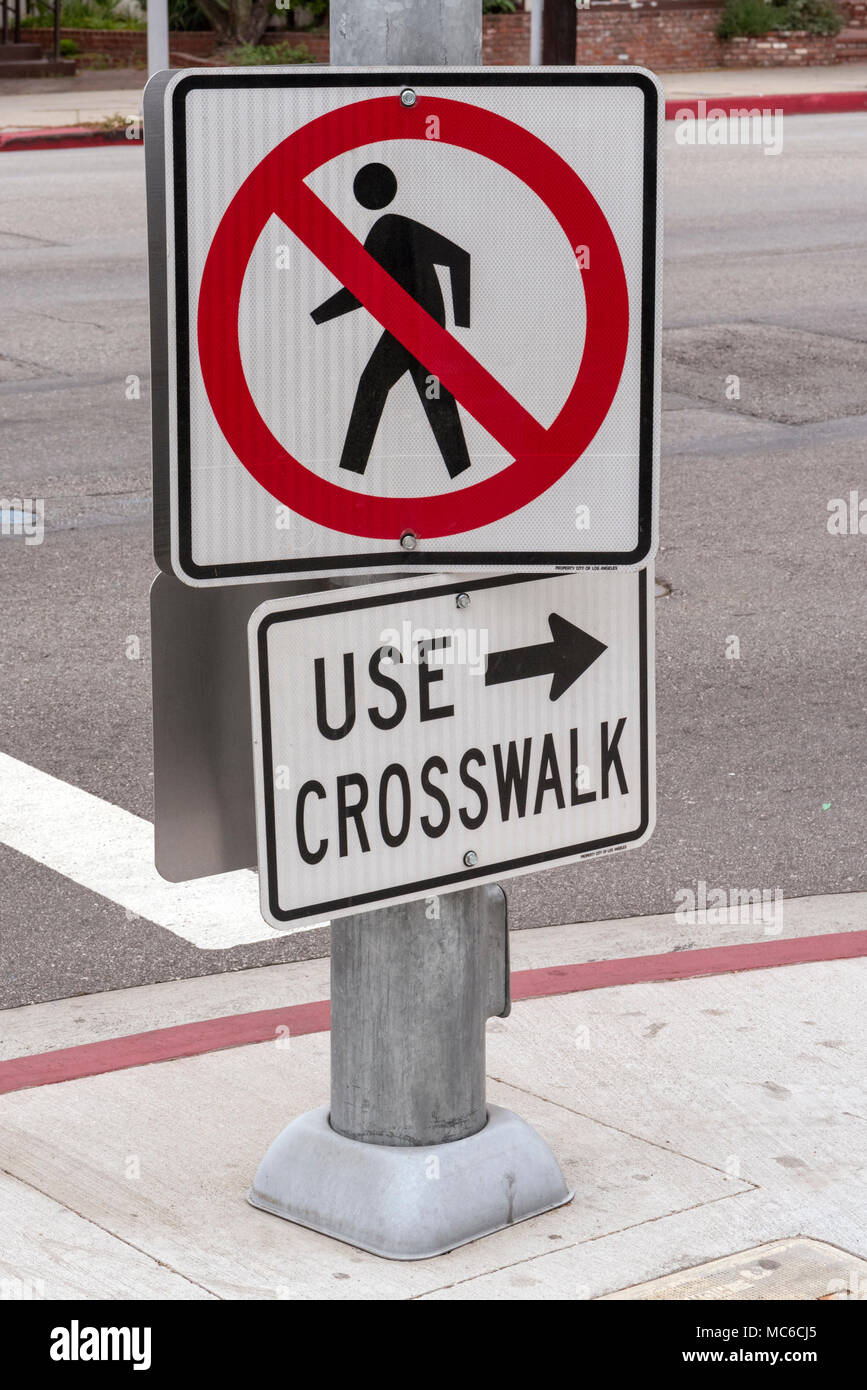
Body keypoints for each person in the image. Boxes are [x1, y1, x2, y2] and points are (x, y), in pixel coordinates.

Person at [311, 162, 472, 479]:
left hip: (417, 327)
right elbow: (363, 290)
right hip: (415, 326)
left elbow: (458, 259)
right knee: (435, 395)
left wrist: (461, 322)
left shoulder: (391, 227)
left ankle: (350, 472)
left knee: (374, 384)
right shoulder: (382, 231)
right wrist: (319, 316)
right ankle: (463, 471)